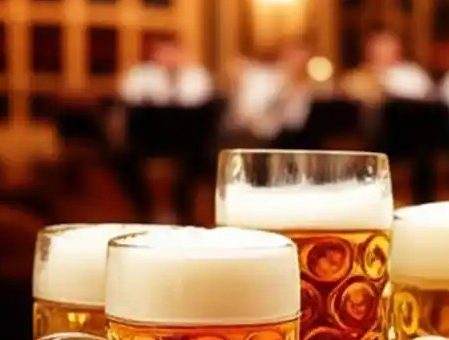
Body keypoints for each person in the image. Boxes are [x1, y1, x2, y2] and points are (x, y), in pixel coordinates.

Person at [117, 36, 215, 225]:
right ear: (155, 54)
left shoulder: (197, 75)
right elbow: (129, 104)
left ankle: (182, 208)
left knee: (201, 161)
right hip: (148, 142)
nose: (169, 57)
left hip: (187, 142)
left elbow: (202, 111)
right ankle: (144, 210)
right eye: (164, 52)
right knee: (123, 161)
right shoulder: (139, 75)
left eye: (174, 52)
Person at [227, 39, 315, 147]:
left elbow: (295, 122)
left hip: (286, 141)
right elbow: (245, 115)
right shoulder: (262, 78)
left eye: (304, 59)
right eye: (296, 57)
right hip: (251, 138)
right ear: (285, 55)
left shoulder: (303, 89)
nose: (299, 63)